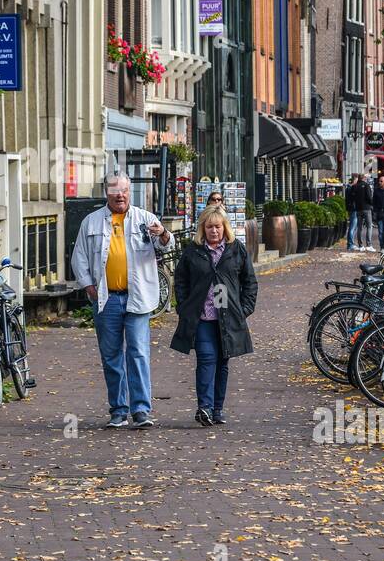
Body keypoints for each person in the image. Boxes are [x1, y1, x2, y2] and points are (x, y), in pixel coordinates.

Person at [71, 174, 172, 429]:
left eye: (124, 191)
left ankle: (141, 411)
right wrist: (89, 287)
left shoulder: (145, 219)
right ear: (107, 193)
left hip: (137, 296)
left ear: (130, 192)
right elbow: (79, 257)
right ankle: (118, 410)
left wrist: (163, 234)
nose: (120, 196)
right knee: (111, 355)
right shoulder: (91, 222)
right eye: (115, 192)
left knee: (138, 352)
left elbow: (166, 248)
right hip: (106, 299)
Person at [170, 205, 258, 427]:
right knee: (207, 359)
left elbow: (250, 282)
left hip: (227, 318)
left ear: (224, 227)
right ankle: (205, 407)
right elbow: (180, 280)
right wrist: (184, 306)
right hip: (202, 318)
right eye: (209, 227)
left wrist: (244, 309)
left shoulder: (235, 249)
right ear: (203, 229)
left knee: (222, 362)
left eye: (217, 226)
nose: (214, 231)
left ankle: (217, 409)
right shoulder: (193, 251)